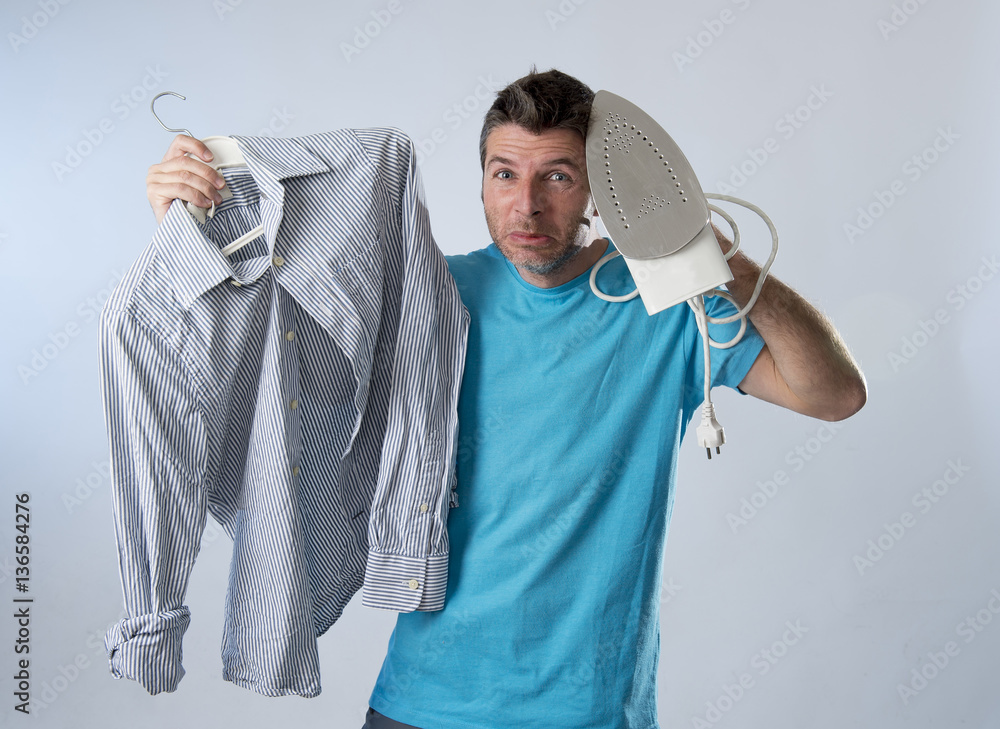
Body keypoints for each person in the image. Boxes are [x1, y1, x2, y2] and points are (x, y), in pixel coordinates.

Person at [143, 69, 866, 729]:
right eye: (505, 173)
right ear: (482, 183)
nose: (527, 203)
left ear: (598, 192)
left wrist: (714, 257)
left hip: (591, 711)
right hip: (420, 704)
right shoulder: (431, 299)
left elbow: (834, 394)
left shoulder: (667, 307)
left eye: (558, 175)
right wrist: (190, 236)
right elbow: (268, 383)